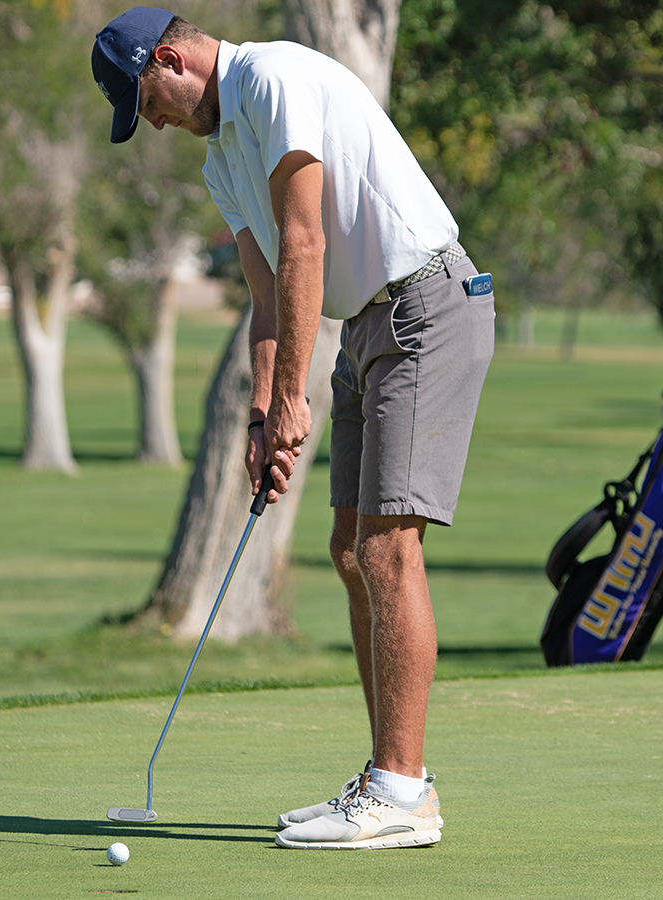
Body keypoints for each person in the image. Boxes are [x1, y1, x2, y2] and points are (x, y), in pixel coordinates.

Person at [92, 8, 494, 850]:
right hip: (364, 327)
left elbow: (305, 239)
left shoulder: (272, 79)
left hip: (424, 305)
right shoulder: (220, 159)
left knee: (388, 548)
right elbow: (269, 295)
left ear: (170, 57)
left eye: (149, 103)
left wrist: (295, 402)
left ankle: (401, 793)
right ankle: (391, 774)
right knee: (351, 552)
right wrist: (259, 412)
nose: (155, 124)